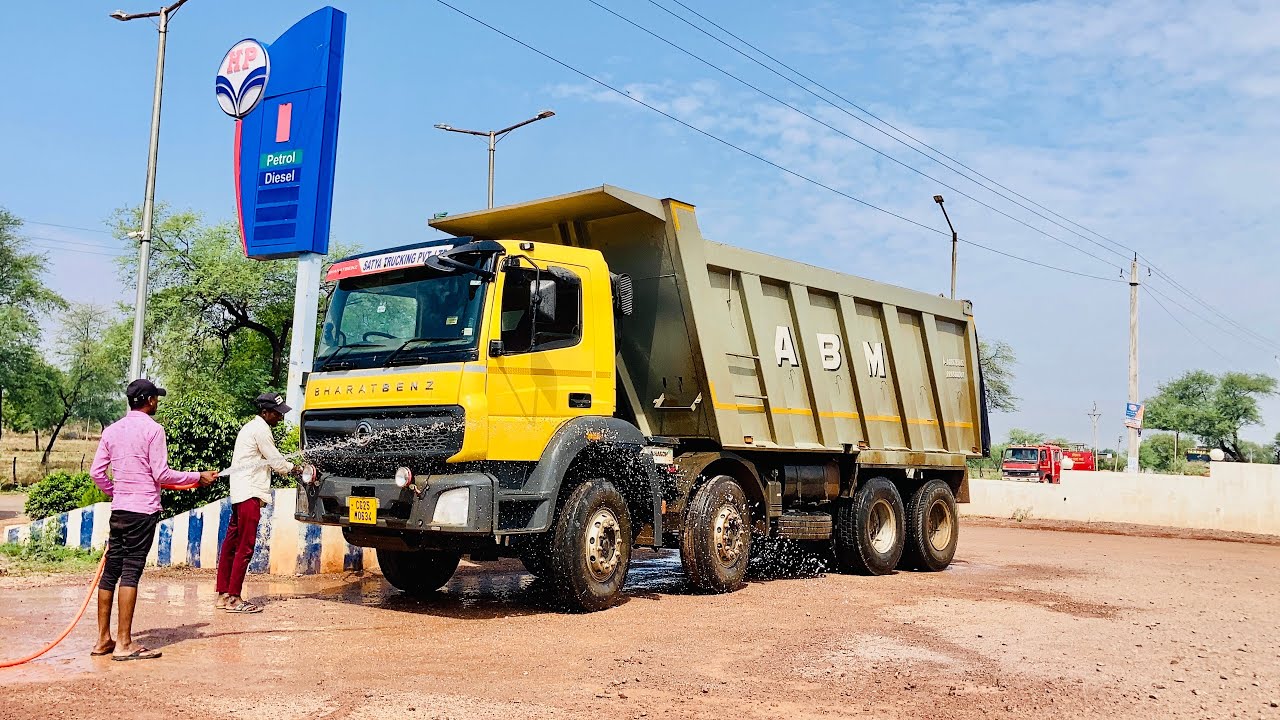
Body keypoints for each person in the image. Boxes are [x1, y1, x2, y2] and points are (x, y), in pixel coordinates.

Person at [90, 379, 218, 661]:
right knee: (131, 572)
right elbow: (162, 474)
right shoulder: (153, 430)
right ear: (148, 400)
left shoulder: (111, 431)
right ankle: (124, 644)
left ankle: (103, 640)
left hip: (120, 511)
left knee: (111, 573)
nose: (157, 402)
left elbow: (96, 473)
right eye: (156, 398)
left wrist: (118, 492)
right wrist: (198, 477)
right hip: (142, 511)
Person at [215, 392, 297, 614]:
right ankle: (234, 598)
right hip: (250, 494)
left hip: (240, 493)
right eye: (277, 414)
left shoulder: (250, 428)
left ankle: (223, 594)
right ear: (265, 412)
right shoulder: (261, 430)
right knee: (245, 546)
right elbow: (276, 460)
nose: (280, 418)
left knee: (231, 544)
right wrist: (295, 469)